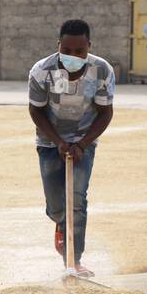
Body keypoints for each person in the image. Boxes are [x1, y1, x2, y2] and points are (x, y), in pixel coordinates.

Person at [28, 18, 115, 276]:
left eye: (79, 51)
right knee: (57, 206)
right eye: (67, 51)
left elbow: (105, 113)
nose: (73, 56)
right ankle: (60, 223)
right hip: (49, 141)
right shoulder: (42, 71)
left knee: (76, 199)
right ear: (58, 46)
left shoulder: (102, 70)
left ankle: (74, 261)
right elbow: (36, 110)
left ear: (89, 46)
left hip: (83, 143)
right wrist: (58, 141)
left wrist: (82, 144)